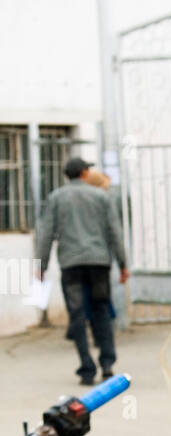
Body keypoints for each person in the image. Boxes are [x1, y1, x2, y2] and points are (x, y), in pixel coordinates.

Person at [36, 157, 128, 384]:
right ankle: (107, 364)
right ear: (85, 173)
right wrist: (123, 263)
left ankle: (87, 368)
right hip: (98, 263)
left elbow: (46, 233)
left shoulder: (56, 198)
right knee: (101, 311)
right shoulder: (101, 196)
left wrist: (41, 265)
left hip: (71, 264)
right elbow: (115, 232)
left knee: (77, 316)